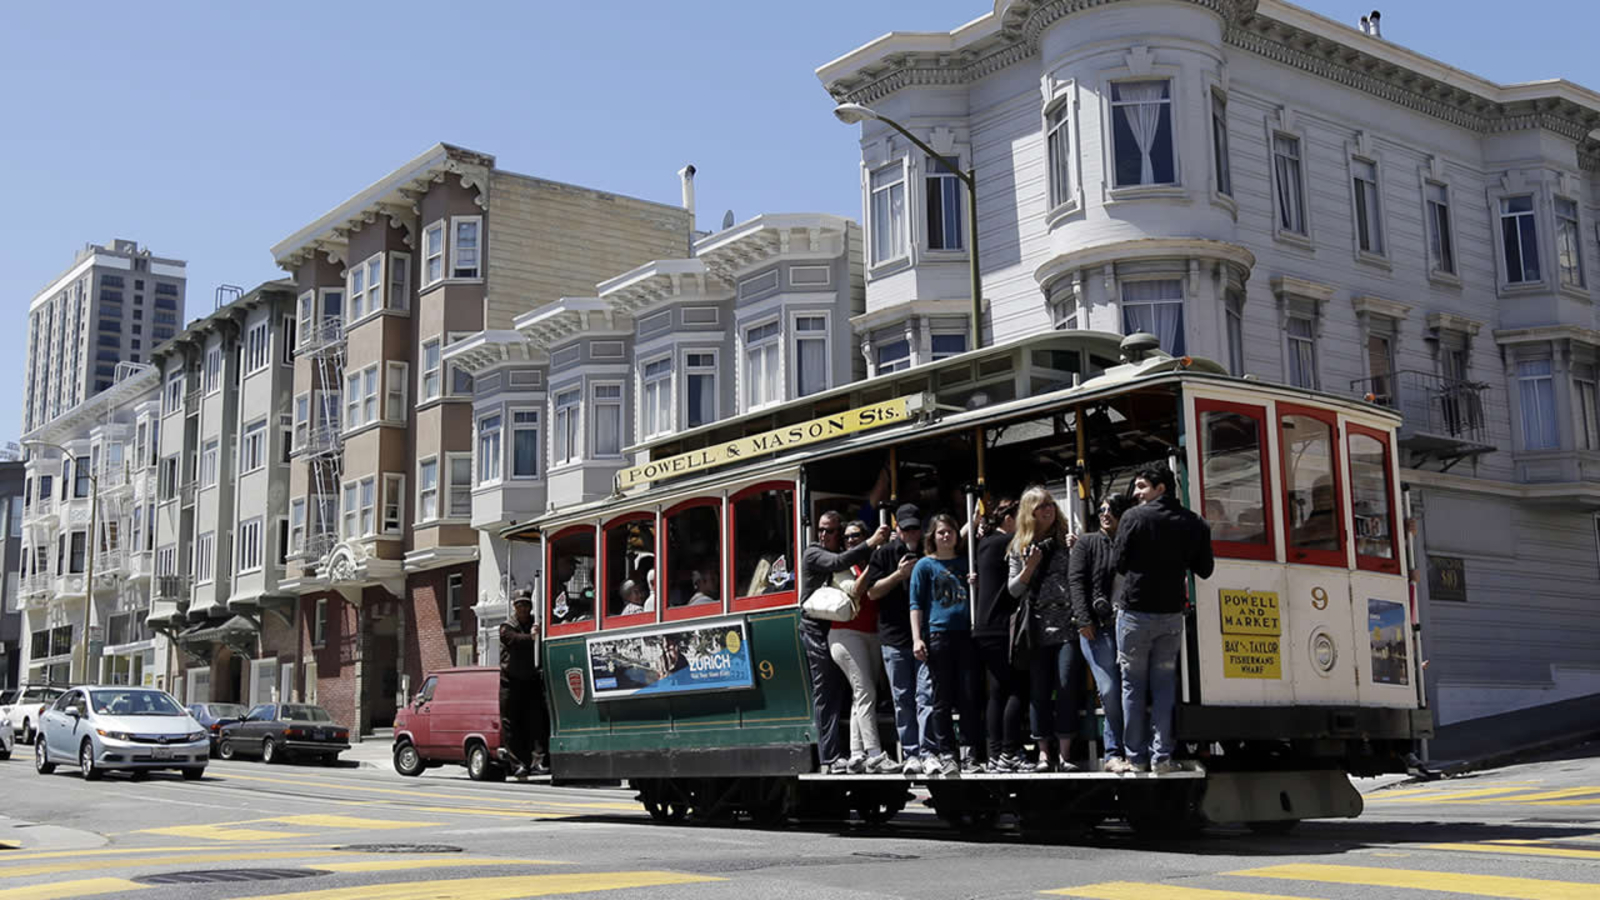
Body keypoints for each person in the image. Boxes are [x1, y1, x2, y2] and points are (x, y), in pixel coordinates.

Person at [1114, 463, 1215, 774]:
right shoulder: (1194, 523)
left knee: (1133, 686)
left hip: (1135, 613)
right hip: (1170, 616)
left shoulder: (1133, 517)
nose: (1136, 493)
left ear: (1160, 488)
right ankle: (1162, 757)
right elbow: (1205, 569)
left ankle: (1135, 757)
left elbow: (1119, 563)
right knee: (1164, 686)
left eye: (1141, 486)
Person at [802, 510, 892, 773]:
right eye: (820, 529)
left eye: (830, 531)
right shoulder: (815, 553)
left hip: (848, 630)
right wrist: (873, 545)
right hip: (819, 629)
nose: (823, 535)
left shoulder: (852, 558)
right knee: (830, 693)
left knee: (855, 692)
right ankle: (837, 756)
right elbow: (849, 579)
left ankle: (855, 753)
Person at [1008, 486, 1083, 772]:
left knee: (1066, 686)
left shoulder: (1067, 539)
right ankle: (1042, 753)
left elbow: (1080, 577)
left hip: (1068, 624)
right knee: (1039, 690)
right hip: (1037, 627)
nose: (1048, 509)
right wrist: (1030, 567)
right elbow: (1013, 590)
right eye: (1041, 506)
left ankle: (1065, 753)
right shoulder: (1020, 546)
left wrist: (1078, 550)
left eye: (1050, 504)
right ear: (1030, 512)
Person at [857, 504, 933, 775]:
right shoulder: (884, 553)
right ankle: (911, 754)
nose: (911, 534)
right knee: (903, 699)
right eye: (906, 529)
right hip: (893, 637)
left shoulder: (929, 551)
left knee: (926, 696)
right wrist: (899, 575)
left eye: (915, 528)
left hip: (925, 636)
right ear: (897, 529)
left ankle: (928, 752)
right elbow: (872, 593)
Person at [910, 513, 982, 776]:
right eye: (940, 532)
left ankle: (969, 753)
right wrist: (917, 638)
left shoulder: (966, 562)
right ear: (933, 536)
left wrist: (975, 584)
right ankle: (947, 753)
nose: (946, 536)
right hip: (938, 636)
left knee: (968, 696)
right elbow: (915, 604)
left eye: (950, 531)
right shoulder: (924, 566)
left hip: (966, 635)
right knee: (942, 698)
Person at [1068, 494, 1133, 774]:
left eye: (1112, 510)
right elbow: (1076, 581)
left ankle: (1133, 750)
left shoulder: (1131, 543)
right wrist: (1084, 619)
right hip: (1098, 628)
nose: (1105, 514)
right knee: (1109, 689)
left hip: (1130, 626)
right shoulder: (1087, 542)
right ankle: (1113, 752)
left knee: (1131, 689)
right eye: (1102, 509)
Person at [827, 521, 896, 774]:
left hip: (872, 634)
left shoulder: (876, 560)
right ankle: (875, 754)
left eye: (856, 536)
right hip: (845, 634)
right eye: (846, 538)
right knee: (866, 691)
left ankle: (856, 754)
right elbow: (856, 591)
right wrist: (874, 559)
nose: (850, 541)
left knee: (862, 694)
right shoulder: (842, 566)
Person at [973, 497, 1028, 773]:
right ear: (1008, 519)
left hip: (984, 626)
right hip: (1002, 626)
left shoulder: (984, 543)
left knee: (996, 691)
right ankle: (1008, 750)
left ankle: (995, 754)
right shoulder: (1007, 543)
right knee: (1017, 688)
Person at [499, 592, 549, 777]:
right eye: (520, 605)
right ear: (514, 607)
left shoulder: (536, 623)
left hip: (531, 680)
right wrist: (532, 637)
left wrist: (539, 631)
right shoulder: (507, 626)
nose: (524, 609)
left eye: (526, 605)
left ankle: (538, 762)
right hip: (510, 682)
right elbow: (513, 639)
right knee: (511, 725)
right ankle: (518, 764)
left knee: (537, 722)